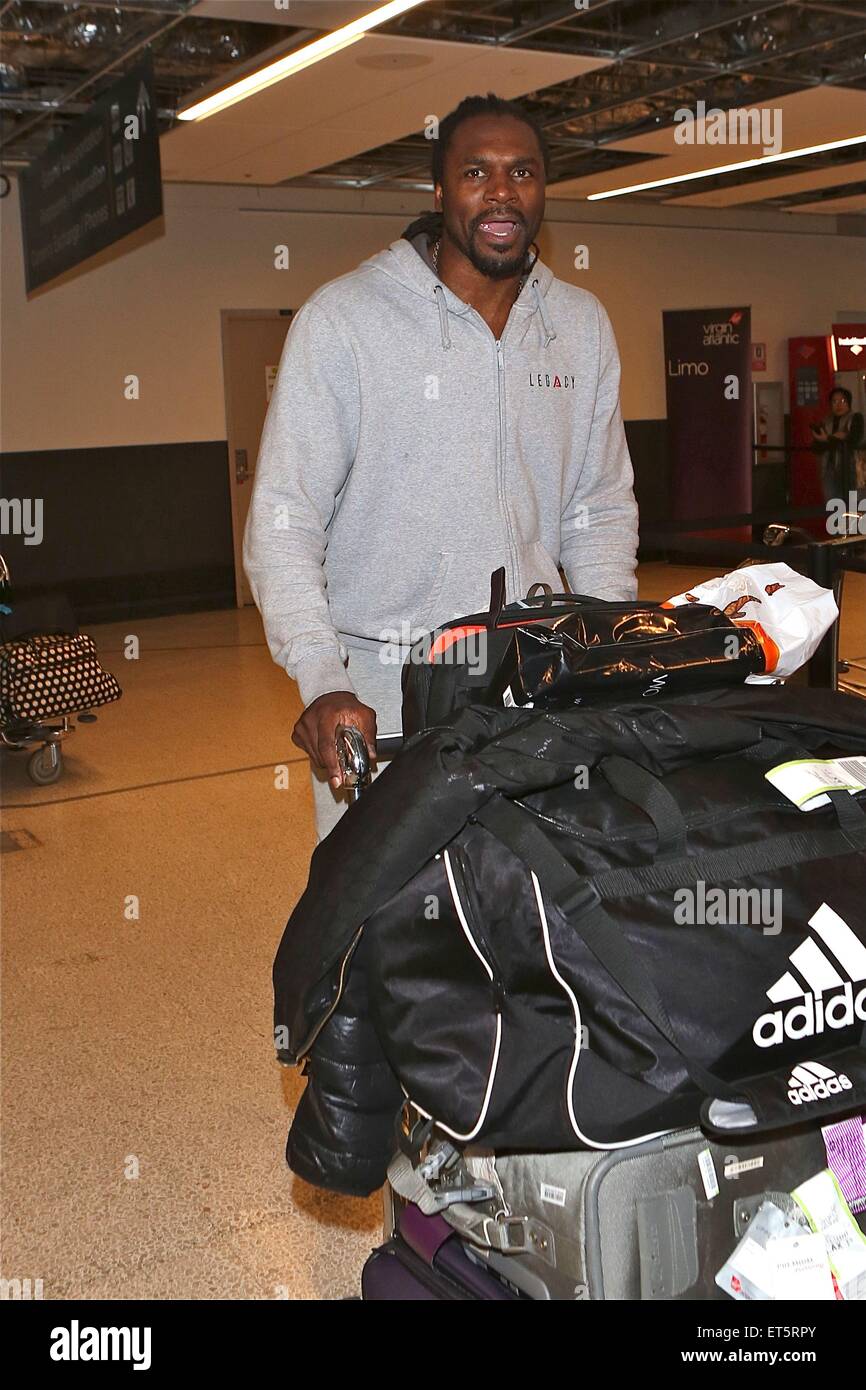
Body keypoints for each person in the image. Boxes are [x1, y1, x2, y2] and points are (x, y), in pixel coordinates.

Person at [244, 92, 639, 842]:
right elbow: (285, 518)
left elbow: (600, 507)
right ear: (438, 191)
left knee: (530, 911)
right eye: (476, 172)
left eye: (521, 172)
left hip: (535, 676)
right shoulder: (346, 320)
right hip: (385, 693)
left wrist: (605, 641)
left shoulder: (580, 326)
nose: (501, 192)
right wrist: (325, 682)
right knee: (379, 926)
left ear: (543, 191)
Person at [811, 386, 864, 504]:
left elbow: (853, 440)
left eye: (842, 401)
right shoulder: (826, 422)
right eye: (834, 401)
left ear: (849, 403)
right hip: (829, 470)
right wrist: (834, 438)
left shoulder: (855, 418)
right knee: (833, 507)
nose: (838, 405)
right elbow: (816, 447)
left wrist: (828, 439)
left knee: (854, 507)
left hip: (852, 470)